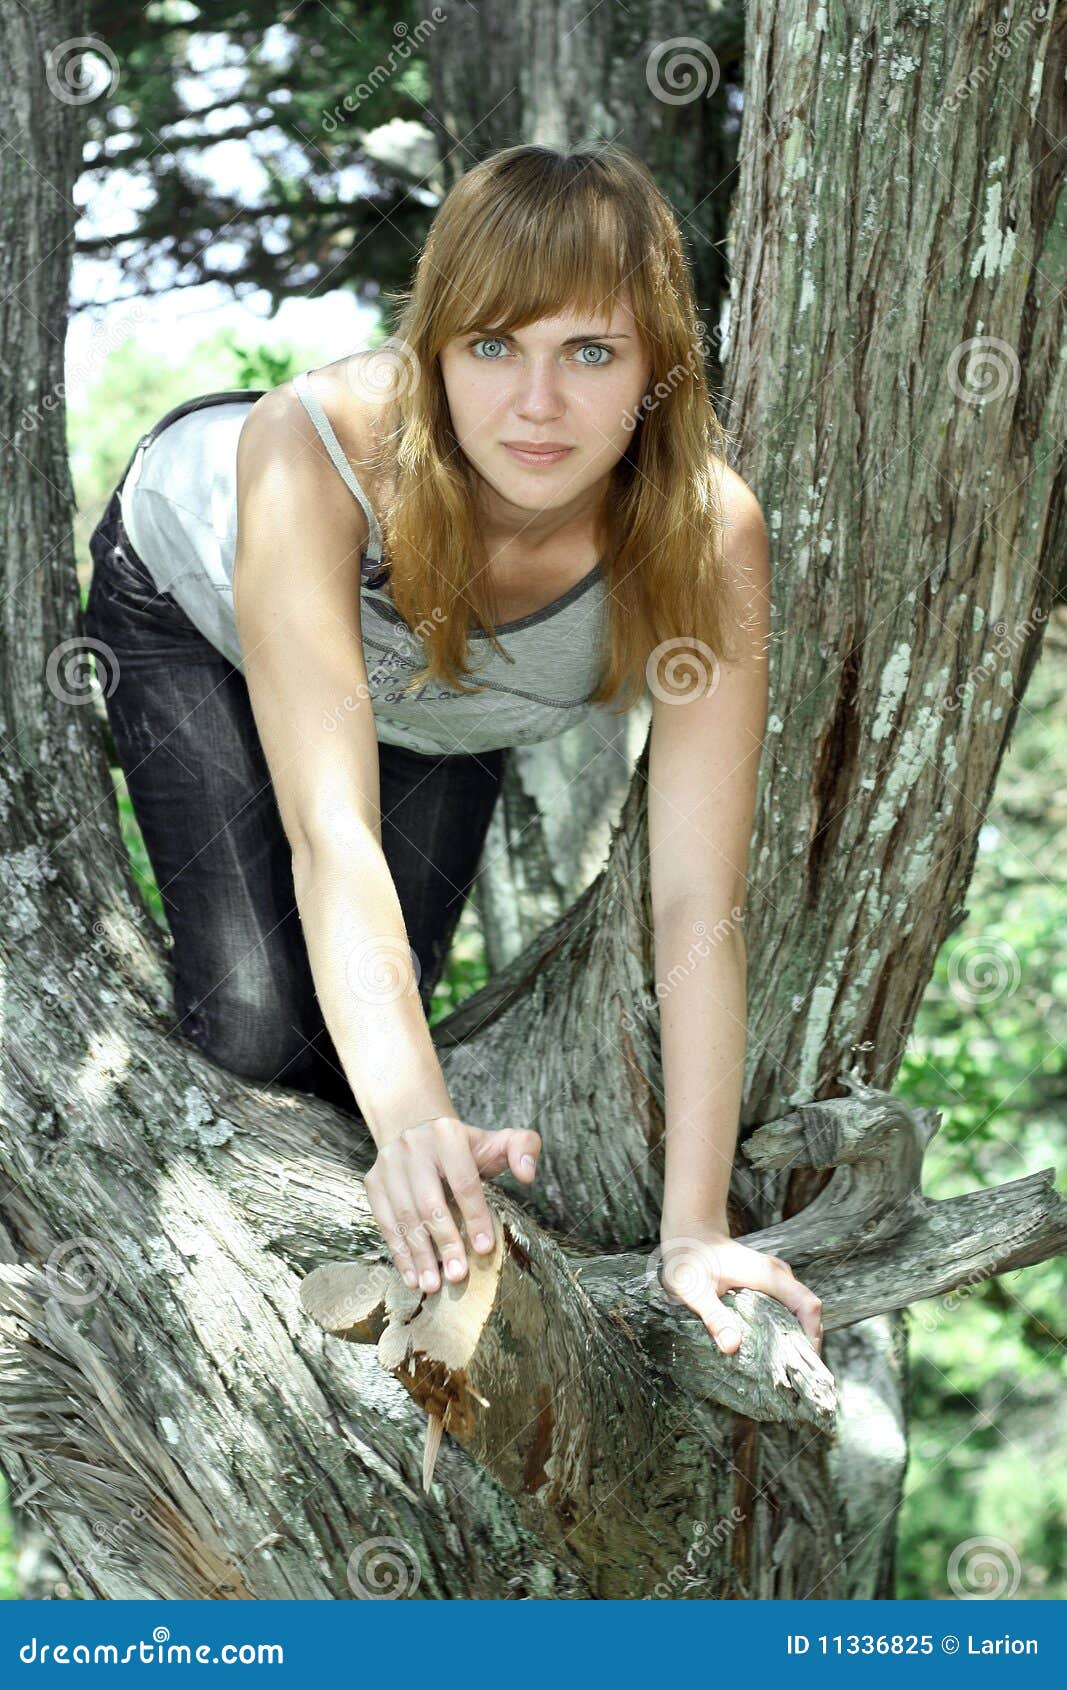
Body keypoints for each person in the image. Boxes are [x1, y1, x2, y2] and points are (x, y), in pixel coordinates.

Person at [84, 142, 823, 1359]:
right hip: (199, 608)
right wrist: (419, 1120)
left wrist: (693, 1225)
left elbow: (697, 900)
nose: (536, 407)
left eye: (591, 352)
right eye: (492, 347)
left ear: (657, 366)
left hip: (431, 705)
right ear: (433, 351)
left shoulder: (702, 532)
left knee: (354, 1056)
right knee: (265, 1030)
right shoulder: (317, 442)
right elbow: (334, 834)